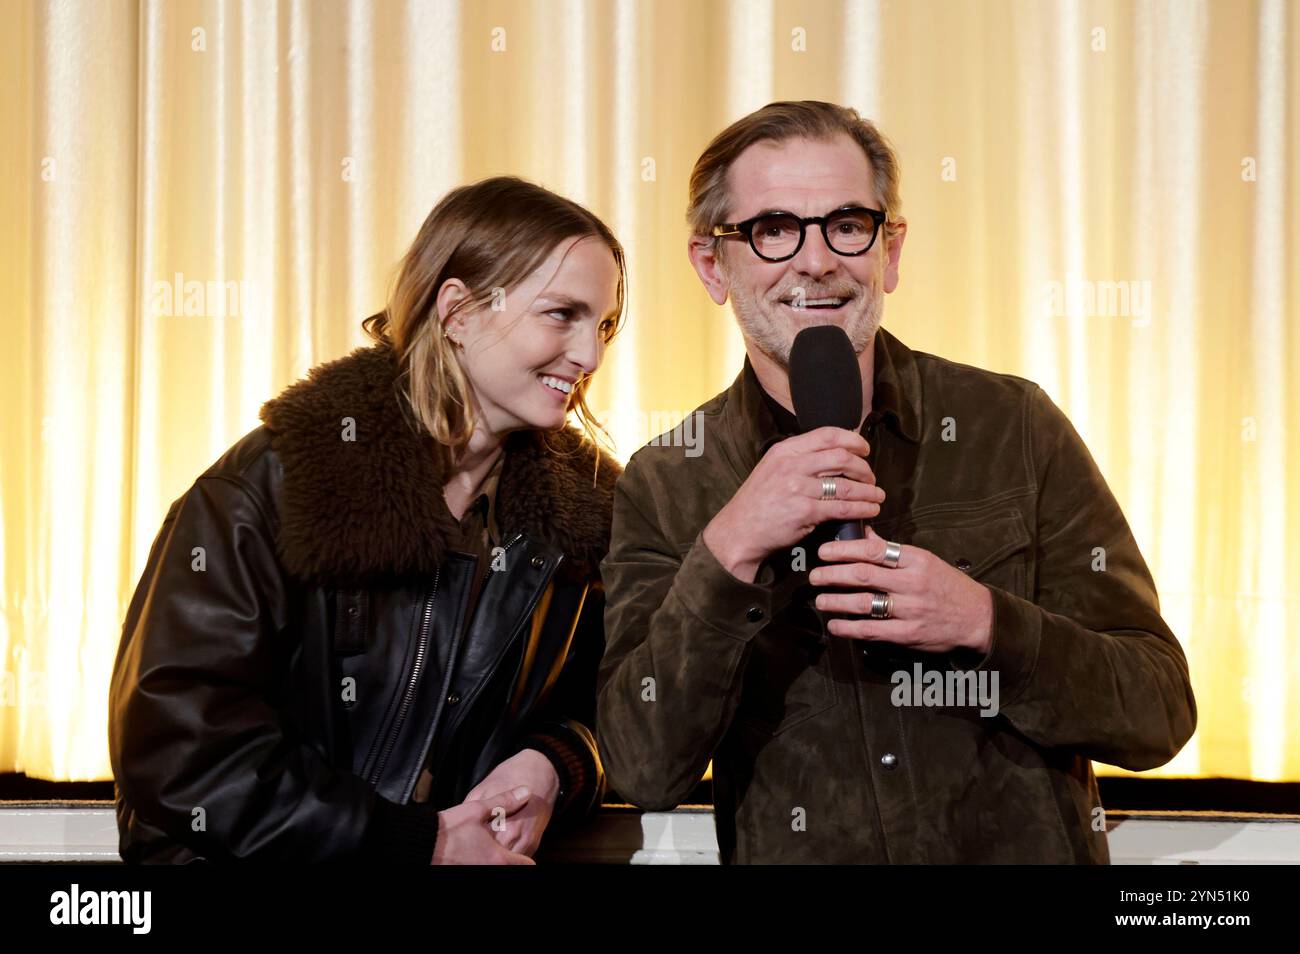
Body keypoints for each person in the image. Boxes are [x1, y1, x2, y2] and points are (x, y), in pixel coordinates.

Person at [596, 101, 1196, 863]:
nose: (816, 261)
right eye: (773, 229)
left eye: (848, 224)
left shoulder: (1010, 423)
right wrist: (730, 548)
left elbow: (1158, 710)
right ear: (714, 266)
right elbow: (643, 765)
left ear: (892, 250)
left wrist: (984, 621)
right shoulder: (667, 480)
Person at [109, 176, 625, 863]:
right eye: (562, 314)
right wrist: (420, 844)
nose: (591, 355)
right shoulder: (273, 485)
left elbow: (618, 709)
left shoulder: (584, 518)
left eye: (605, 325)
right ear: (459, 311)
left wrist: (556, 765)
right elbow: (178, 753)